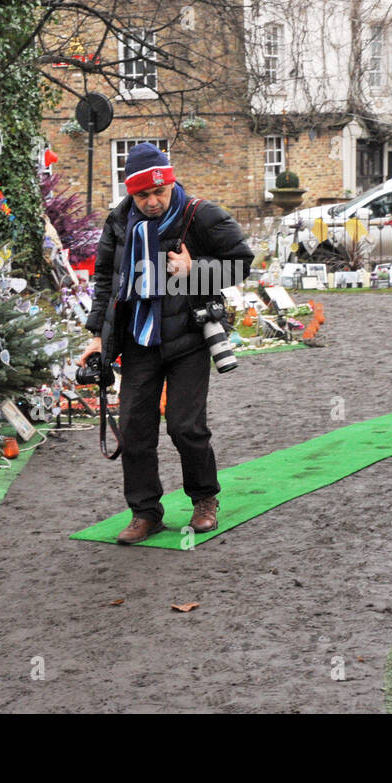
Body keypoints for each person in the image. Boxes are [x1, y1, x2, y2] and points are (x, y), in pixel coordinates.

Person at [79, 143, 254, 544]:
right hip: (139, 339)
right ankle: (145, 513)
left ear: (170, 183)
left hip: (189, 337)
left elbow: (243, 261)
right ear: (131, 194)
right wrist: (96, 338)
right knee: (135, 430)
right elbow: (106, 280)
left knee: (185, 426)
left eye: (160, 191)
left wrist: (197, 270)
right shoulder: (119, 222)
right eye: (143, 195)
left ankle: (204, 500)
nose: (153, 201)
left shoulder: (200, 215)